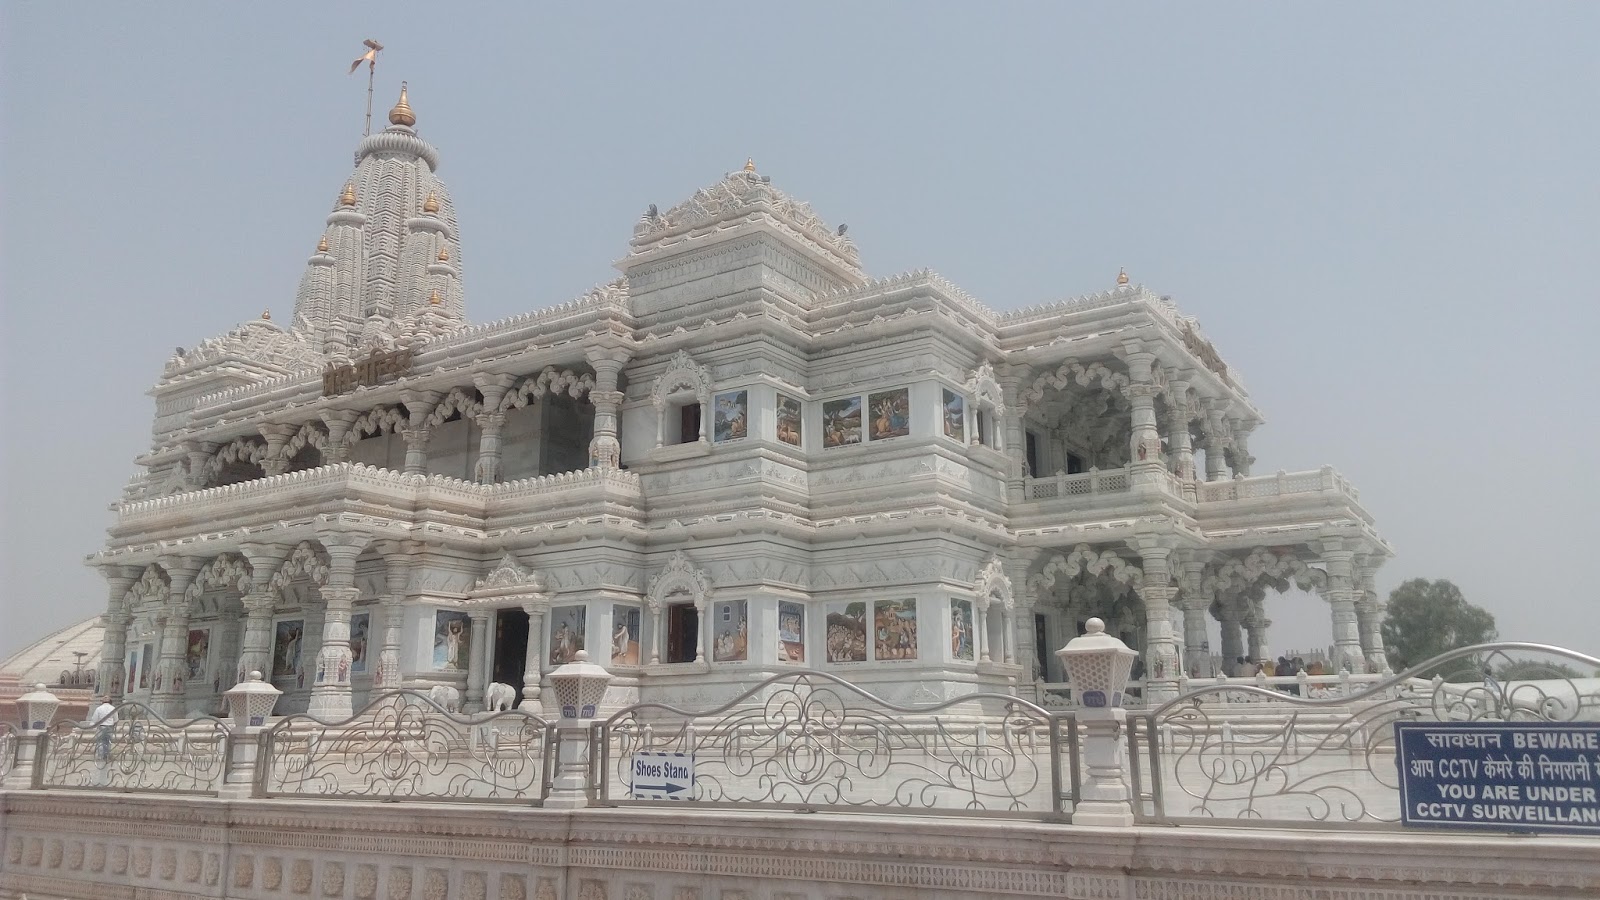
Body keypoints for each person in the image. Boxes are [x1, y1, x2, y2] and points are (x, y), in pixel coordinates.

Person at [90, 696, 117, 762]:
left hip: (101, 727)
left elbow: (94, 719)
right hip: (110, 727)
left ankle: (100, 756)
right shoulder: (113, 708)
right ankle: (107, 755)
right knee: (108, 742)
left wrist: (92, 726)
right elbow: (116, 719)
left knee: (100, 742)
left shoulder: (99, 709)